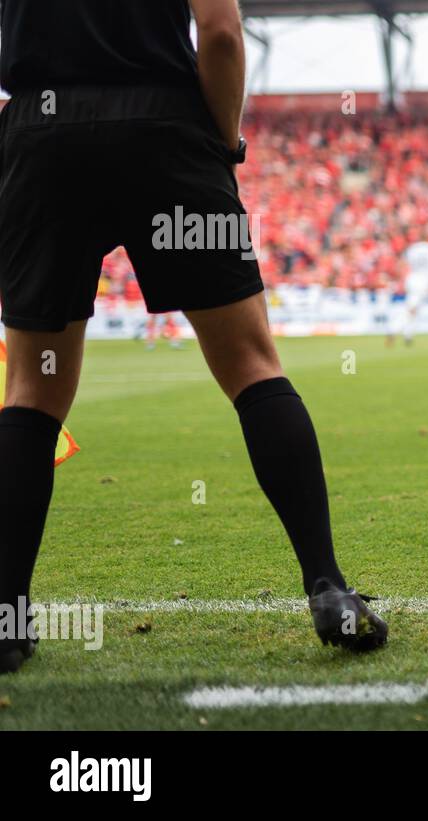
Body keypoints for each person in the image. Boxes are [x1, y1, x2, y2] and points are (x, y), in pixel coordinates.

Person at [0, 0, 386, 674]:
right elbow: (220, 30)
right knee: (253, 366)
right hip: (164, 129)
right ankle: (327, 586)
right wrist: (223, 142)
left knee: (31, 391)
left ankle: (5, 614)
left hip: (43, 133)